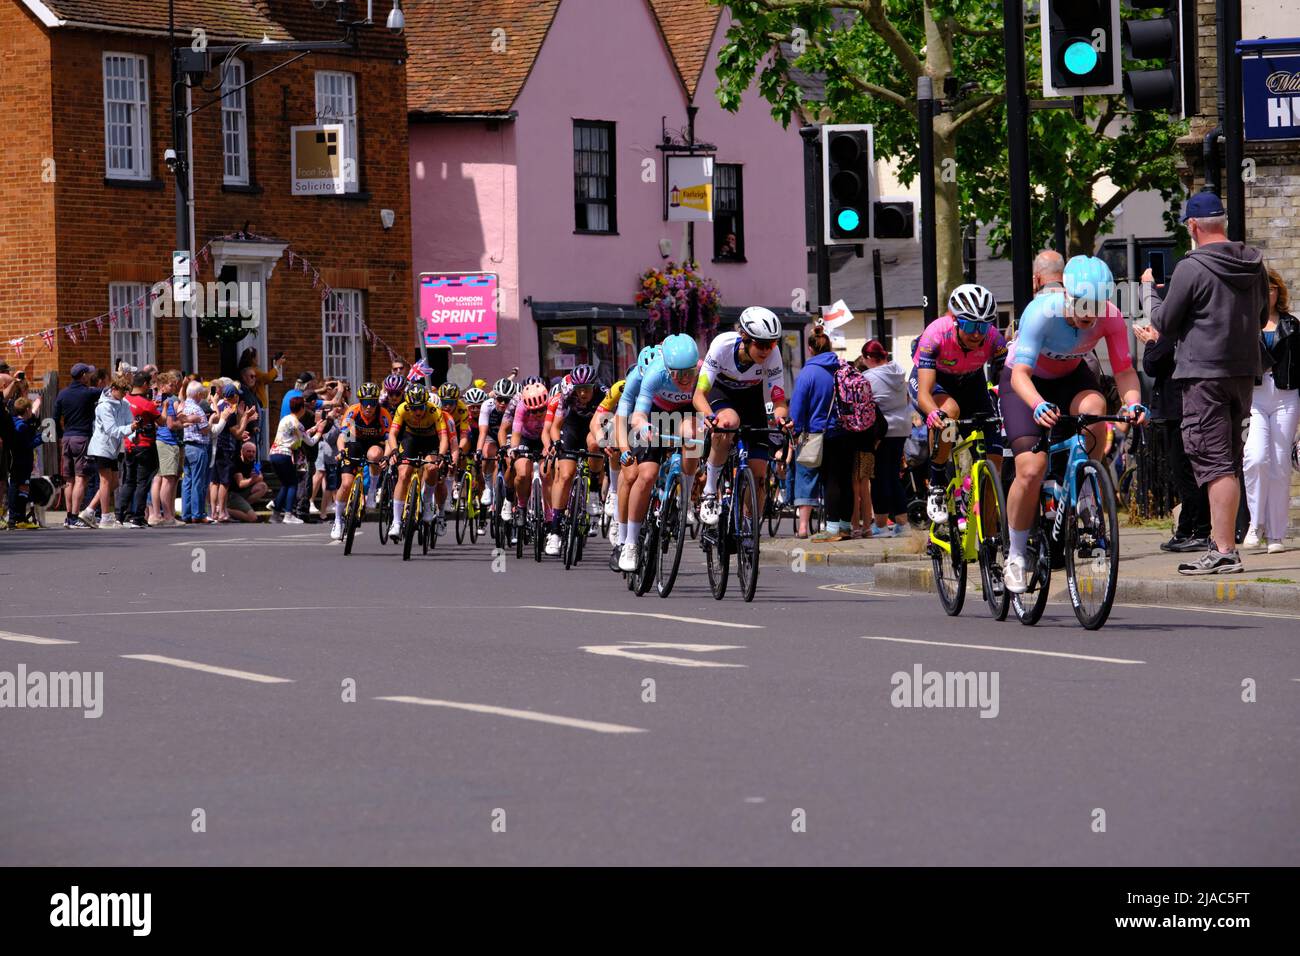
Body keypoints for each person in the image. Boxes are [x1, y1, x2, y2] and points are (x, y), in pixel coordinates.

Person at [1002, 256, 1146, 593]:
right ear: (1066, 293)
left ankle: (1084, 486)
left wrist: (1133, 402)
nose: (1088, 315)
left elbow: (1124, 370)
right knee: (1030, 469)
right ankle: (1016, 555)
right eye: (1082, 305)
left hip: (1069, 377)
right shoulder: (1041, 312)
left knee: (1096, 406)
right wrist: (1037, 405)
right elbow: (1021, 374)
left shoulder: (1108, 316)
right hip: (1025, 382)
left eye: (1096, 307)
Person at [1146, 191, 1270, 574]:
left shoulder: (1191, 267)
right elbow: (1264, 312)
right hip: (1242, 374)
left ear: (1193, 226)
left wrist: (1152, 294)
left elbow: (1163, 324)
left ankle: (1223, 549)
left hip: (1203, 374)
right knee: (1228, 460)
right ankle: (1225, 546)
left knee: (1214, 464)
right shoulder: (1254, 264)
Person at [910, 284, 1008, 524]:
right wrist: (934, 413)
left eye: (983, 326)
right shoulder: (936, 334)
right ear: (955, 321)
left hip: (971, 381)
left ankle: (991, 537)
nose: (977, 334)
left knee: (995, 457)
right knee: (949, 413)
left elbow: (1008, 383)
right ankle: (936, 484)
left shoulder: (994, 339)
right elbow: (924, 393)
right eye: (969, 325)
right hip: (935, 382)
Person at [695, 306, 790, 527]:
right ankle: (710, 491)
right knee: (728, 423)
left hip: (751, 400)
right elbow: (700, 394)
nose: (767, 350)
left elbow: (778, 401)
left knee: (759, 476)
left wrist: (781, 419)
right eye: (762, 344)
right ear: (745, 338)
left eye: (772, 344)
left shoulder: (772, 356)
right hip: (722, 395)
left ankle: (748, 526)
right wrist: (709, 416)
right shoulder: (722, 346)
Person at [619, 342, 698, 570]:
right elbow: (634, 413)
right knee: (646, 474)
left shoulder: (699, 371)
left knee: (693, 436)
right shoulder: (652, 373)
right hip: (655, 413)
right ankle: (630, 543)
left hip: (685, 412)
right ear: (667, 368)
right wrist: (634, 436)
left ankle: (686, 501)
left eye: (689, 372)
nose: (684, 379)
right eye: (678, 374)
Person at [1134, 322, 1209, 552]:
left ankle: (1200, 531)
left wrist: (1149, 343)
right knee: (1182, 473)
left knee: (1185, 473)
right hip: (1178, 410)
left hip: (1178, 411)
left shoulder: (1172, 333)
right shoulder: (1181, 332)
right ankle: (1186, 530)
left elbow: (1151, 365)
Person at [1241, 268, 1299, 553]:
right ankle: (1255, 523)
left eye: (1272, 288)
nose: (1268, 294)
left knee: (1279, 465)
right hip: (1256, 396)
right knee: (1255, 458)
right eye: (1262, 289)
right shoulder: (1246, 324)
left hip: (1286, 396)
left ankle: (1276, 534)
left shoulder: (1292, 325)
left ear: (1279, 292)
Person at [789, 324, 846, 541]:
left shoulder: (808, 373)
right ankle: (836, 525)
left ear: (810, 349)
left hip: (812, 433)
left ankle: (803, 527)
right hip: (837, 432)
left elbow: (797, 407)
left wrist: (794, 429)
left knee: (806, 477)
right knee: (834, 479)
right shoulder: (839, 370)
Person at [546, 364, 608, 556]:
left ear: (594, 386)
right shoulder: (567, 395)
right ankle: (555, 531)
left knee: (595, 446)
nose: (582, 394)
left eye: (587, 389)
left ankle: (595, 492)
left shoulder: (604, 394)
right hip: (572, 429)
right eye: (579, 389)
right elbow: (555, 426)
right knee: (565, 476)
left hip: (593, 428)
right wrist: (556, 442)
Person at [385, 384, 449, 540]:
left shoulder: (434, 410)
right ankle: (396, 521)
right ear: (409, 405)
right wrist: (394, 451)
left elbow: (443, 437)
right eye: (414, 408)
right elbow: (392, 434)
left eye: (420, 407)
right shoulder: (402, 409)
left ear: (425, 404)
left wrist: (441, 455)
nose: (418, 412)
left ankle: (427, 503)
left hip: (430, 441)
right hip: (411, 440)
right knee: (403, 473)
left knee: (432, 469)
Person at [860, 339, 911, 536]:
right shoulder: (898, 372)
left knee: (880, 478)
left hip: (881, 432)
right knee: (893, 477)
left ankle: (881, 525)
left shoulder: (869, 377)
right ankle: (902, 523)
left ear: (869, 358)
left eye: (864, 359)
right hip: (901, 428)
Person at [332, 382, 391, 540]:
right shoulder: (353, 412)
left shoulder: (383, 414)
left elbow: (390, 441)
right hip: (355, 442)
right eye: (365, 403)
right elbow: (343, 437)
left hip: (374, 444)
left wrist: (387, 456)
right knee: (346, 484)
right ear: (360, 402)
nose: (369, 407)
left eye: (372, 403)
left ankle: (371, 490)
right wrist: (341, 451)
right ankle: (337, 520)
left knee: (374, 454)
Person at [54, 362, 101, 527]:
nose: (90, 376)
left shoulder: (62, 394)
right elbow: (109, 391)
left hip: (67, 438)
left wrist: (61, 435)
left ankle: (68, 516)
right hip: (82, 438)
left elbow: (54, 418)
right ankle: (74, 517)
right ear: (82, 375)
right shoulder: (88, 393)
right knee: (81, 479)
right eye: (88, 373)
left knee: (69, 480)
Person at [86, 374, 135, 528]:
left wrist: (133, 435)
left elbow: (129, 421)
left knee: (113, 482)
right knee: (106, 481)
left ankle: (89, 510)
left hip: (113, 449)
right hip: (102, 447)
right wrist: (130, 429)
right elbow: (111, 430)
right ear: (113, 389)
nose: (123, 396)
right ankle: (105, 517)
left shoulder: (124, 403)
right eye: (122, 392)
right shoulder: (103, 406)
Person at [270, 395, 326, 524]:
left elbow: (301, 434)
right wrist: (320, 431)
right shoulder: (298, 423)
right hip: (285, 455)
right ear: (301, 408)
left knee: (285, 484)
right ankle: (288, 514)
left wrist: (315, 427)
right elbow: (310, 442)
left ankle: (276, 513)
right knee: (293, 483)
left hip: (274, 453)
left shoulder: (286, 419)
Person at [117, 370, 160, 528]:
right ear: (144, 385)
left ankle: (119, 515)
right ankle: (138, 517)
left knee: (129, 481)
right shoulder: (147, 404)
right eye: (148, 384)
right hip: (144, 445)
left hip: (128, 444)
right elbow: (162, 421)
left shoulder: (124, 400)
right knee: (142, 482)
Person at [151, 372, 184, 526]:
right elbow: (171, 424)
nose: (174, 387)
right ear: (163, 386)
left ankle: (157, 513)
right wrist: (186, 423)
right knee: (168, 479)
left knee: (159, 478)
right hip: (168, 441)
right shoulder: (169, 401)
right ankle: (168, 516)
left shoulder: (157, 399)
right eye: (171, 384)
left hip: (159, 440)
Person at [6, 397, 43, 529]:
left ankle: (19, 517)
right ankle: (14, 518)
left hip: (20, 461)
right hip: (20, 461)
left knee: (23, 488)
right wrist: (42, 438)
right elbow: (27, 444)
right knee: (17, 487)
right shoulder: (21, 426)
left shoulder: (14, 422)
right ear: (27, 410)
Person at [180, 380, 213, 523]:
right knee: (198, 481)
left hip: (186, 446)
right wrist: (212, 420)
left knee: (187, 481)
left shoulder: (183, 406)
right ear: (198, 394)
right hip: (198, 446)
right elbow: (205, 430)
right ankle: (198, 513)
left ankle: (186, 514)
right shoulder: (197, 409)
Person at [227, 442, 269, 522]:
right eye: (248, 451)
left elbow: (261, 477)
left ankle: (245, 507)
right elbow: (241, 484)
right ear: (242, 451)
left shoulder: (253, 462)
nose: (251, 454)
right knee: (253, 518)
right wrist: (252, 479)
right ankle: (225, 510)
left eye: (253, 452)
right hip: (233, 495)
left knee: (263, 486)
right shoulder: (237, 462)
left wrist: (252, 479)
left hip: (244, 492)